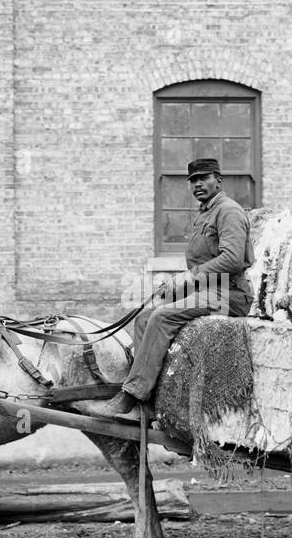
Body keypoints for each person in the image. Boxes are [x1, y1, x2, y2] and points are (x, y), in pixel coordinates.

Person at [87, 157, 254, 419]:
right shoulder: (204, 213)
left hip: (230, 293)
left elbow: (232, 259)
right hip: (209, 288)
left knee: (163, 316)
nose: (198, 184)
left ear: (219, 180)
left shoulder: (228, 211)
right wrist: (175, 284)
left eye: (204, 178)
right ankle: (151, 401)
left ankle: (132, 394)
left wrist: (189, 277)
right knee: (144, 318)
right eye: (193, 181)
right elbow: (202, 263)